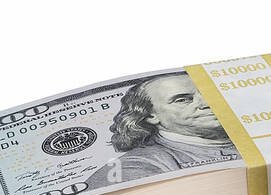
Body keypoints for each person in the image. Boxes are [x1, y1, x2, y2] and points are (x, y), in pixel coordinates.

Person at [92, 73, 239, 186]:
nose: (206, 103)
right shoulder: (134, 167)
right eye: (182, 100)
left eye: (209, 94)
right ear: (150, 115)